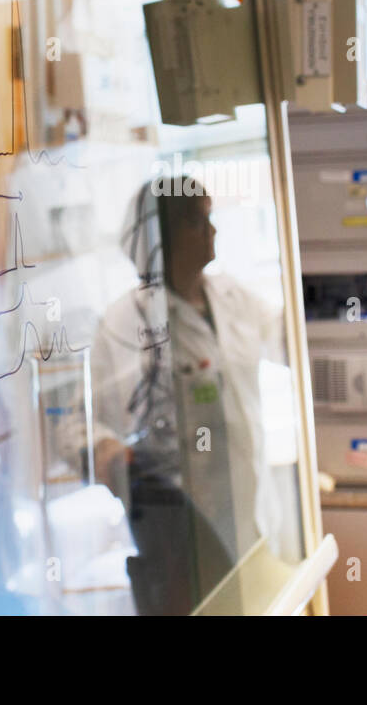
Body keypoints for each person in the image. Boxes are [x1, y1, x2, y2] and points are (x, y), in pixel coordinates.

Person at [66, 175, 286, 613]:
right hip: (180, 537)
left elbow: (288, 339)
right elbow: (77, 426)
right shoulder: (125, 324)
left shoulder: (232, 297)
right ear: (161, 237)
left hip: (253, 515)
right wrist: (107, 451)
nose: (212, 231)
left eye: (210, 219)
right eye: (198, 222)